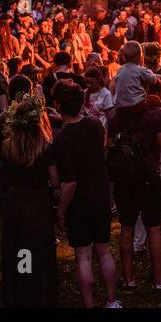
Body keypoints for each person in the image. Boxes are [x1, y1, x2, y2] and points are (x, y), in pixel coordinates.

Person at [107, 70, 161, 291]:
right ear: (144, 87)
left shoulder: (115, 115)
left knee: (126, 227)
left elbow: (107, 147)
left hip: (123, 178)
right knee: (153, 227)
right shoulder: (156, 113)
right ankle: (158, 281)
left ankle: (128, 279)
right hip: (148, 176)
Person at [52, 81, 118, 308]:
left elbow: (69, 183)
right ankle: (112, 300)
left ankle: (89, 304)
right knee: (105, 250)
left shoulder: (61, 139)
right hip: (100, 196)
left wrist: (60, 211)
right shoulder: (95, 126)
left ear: (58, 104)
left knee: (84, 256)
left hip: (80, 202)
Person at [0, 95, 59, 307]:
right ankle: (36, 288)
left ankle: (20, 288)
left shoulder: (8, 146)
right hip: (38, 201)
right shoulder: (45, 148)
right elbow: (55, 179)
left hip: (16, 201)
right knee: (35, 246)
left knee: (20, 246)